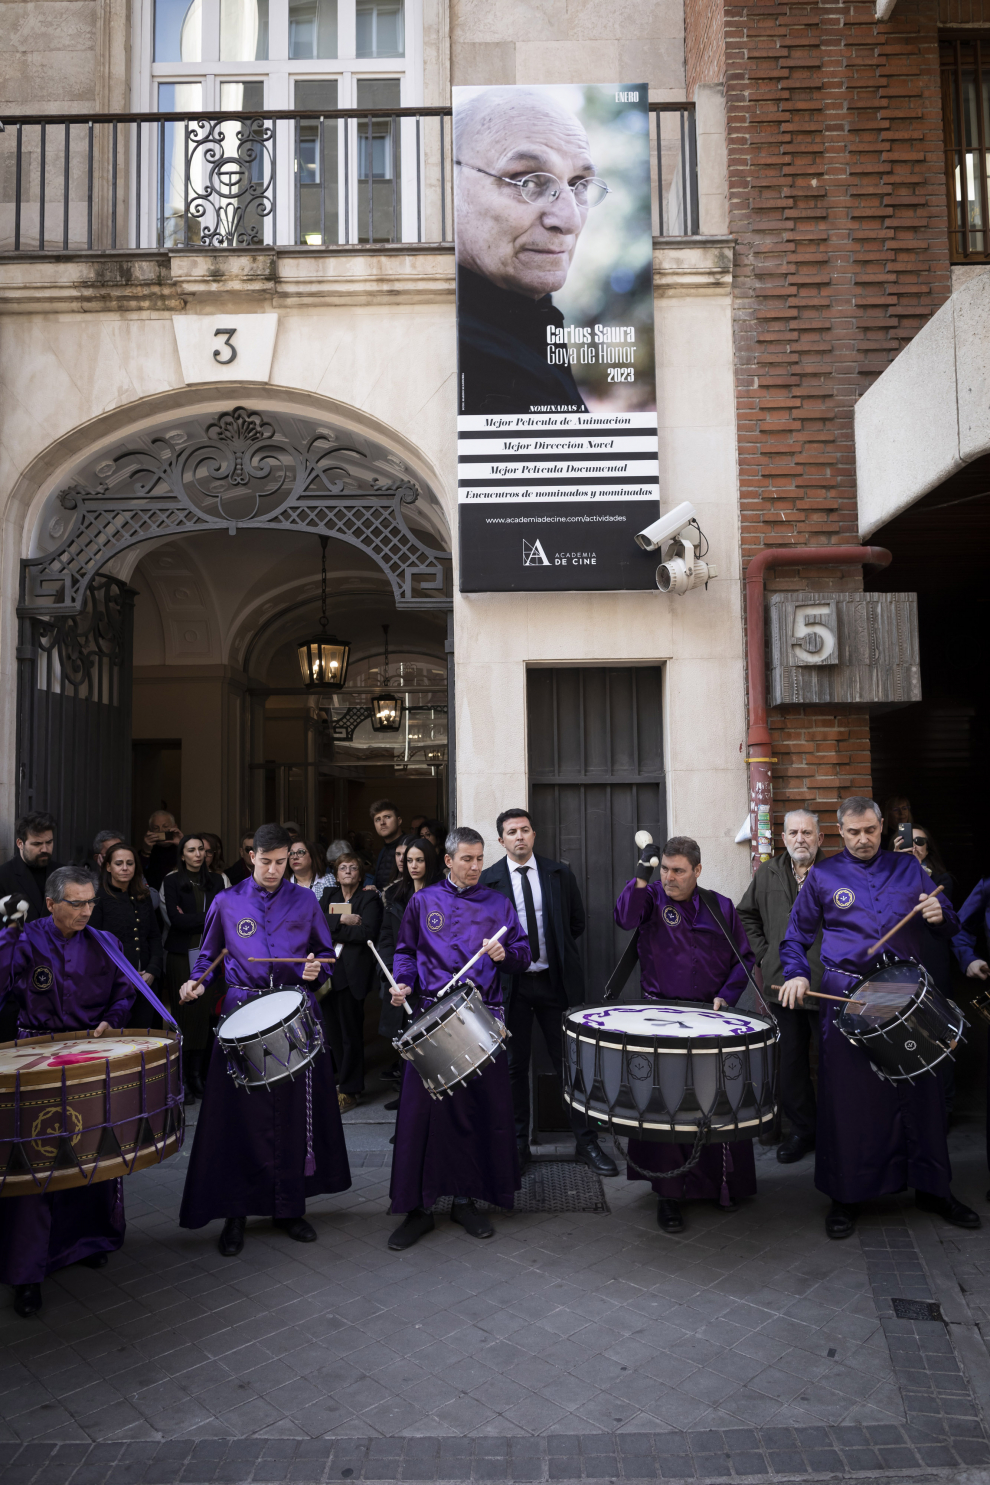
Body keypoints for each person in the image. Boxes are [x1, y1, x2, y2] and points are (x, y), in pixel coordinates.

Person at [780, 797, 979, 1240]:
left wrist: (939, 914)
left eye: (870, 830)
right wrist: (794, 975)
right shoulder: (824, 876)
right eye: (853, 832)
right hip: (845, 996)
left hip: (903, 992)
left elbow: (949, 925)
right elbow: (794, 939)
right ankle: (846, 1195)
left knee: (922, 1095)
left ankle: (933, 1189)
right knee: (849, 1100)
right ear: (839, 831)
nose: (863, 839)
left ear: (881, 827)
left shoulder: (909, 869)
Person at [177, 823, 351, 1256]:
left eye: (282, 862)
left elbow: (325, 954)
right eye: (266, 861)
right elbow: (209, 955)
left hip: (293, 1010)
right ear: (251, 856)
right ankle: (234, 1213)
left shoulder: (305, 899)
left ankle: (289, 1208)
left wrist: (318, 970)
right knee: (237, 1118)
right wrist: (195, 982)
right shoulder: (227, 900)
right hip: (241, 1012)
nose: (274, 870)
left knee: (291, 1114)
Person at [0, 866, 147, 1317]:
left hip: (89, 1058)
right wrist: (5, 938)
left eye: (90, 903)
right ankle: (27, 1271)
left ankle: (89, 1241)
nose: (86, 911)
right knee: (36, 1159)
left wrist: (114, 1020)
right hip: (36, 1057)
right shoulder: (25, 939)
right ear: (50, 904)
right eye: (76, 903)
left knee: (90, 1151)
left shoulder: (105, 941)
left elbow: (126, 991)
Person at [386, 826, 531, 1249]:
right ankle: (418, 1209)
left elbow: (522, 953)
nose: (475, 866)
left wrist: (506, 954)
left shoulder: (498, 903)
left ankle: (465, 1201)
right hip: (430, 1016)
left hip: (480, 1018)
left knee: (474, 1112)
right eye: (466, 859)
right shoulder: (422, 900)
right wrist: (403, 983)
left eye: (479, 859)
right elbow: (405, 952)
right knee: (420, 1117)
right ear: (447, 860)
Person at [614, 835, 759, 1235]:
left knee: (716, 1103)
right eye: (665, 869)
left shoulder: (720, 906)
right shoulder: (651, 899)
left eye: (678, 871)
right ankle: (669, 1195)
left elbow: (742, 957)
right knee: (668, 1107)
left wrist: (727, 996)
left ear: (697, 870)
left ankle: (722, 1185)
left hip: (711, 1019)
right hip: (662, 1018)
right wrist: (642, 876)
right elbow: (624, 916)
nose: (670, 877)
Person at [480, 807, 617, 1178]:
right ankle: (517, 1146)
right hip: (512, 988)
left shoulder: (558, 874)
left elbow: (576, 922)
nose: (520, 837)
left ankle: (586, 1143)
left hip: (555, 984)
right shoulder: (489, 881)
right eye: (512, 832)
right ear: (501, 840)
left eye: (525, 830)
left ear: (534, 834)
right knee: (513, 1068)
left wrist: (550, 952)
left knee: (570, 1065)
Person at [454, 88, 608, 416]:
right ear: (444, 183)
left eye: (580, 184)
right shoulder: (455, 351)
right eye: (528, 182)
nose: (568, 221)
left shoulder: (531, 325)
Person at [736, 809, 824, 1165]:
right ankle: (803, 1130)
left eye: (807, 832)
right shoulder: (768, 872)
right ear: (783, 837)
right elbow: (746, 914)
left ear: (820, 838)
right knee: (790, 1065)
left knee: (834, 1063)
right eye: (793, 832)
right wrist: (764, 953)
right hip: (781, 984)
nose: (800, 838)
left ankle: (836, 1130)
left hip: (825, 986)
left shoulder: (833, 874)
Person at [162, 835, 225, 1103]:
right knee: (186, 1012)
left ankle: (198, 1076)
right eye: (191, 850)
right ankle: (183, 1078)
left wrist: (197, 919)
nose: (198, 854)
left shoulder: (218, 880)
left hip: (210, 955)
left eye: (201, 849)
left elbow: (222, 916)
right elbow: (177, 921)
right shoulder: (172, 880)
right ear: (182, 854)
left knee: (205, 1012)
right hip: (180, 953)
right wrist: (206, 917)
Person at [319, 851, 383, 1112]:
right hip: (328, 972)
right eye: (342, 867)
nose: (347, 871)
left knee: (351, 1035)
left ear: (360, 874)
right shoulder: (329, 896)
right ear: (336, 874)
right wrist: (342, 920)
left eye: (353, 868)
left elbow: (367, 932)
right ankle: (341, 1082)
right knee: (332, 1034)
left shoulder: (369, 898)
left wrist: (332, 927)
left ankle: (350, 1090)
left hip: (352, 973)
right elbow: (315, 924)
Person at [377, 837, 441, 1050]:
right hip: (401, 978)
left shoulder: (442, 896)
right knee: (404, 1042)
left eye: (420, 860)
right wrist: (390, 972)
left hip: (431, 980)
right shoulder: (395, 895)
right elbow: (386, 936)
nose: (413, 866)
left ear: (430, 862)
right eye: (409, 860)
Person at [90, 843, 164, 1027]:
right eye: (119, 863)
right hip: (113, 985)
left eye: (130, 863)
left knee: (146, 1037)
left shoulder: (143, 896)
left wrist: (152, 971)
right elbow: (93, 945)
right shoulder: (98, 898)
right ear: (108, 866)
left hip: (146, 983)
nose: (125, 868)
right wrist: (124, 977)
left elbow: (154, 936)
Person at [892, 824, 955, 995]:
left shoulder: (943, 879)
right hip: (899, 960)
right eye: (907, 842)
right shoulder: (886, 878)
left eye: (919, 841)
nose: (913, 846)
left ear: (927, 850)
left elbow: (943, 918)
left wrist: (915, 869)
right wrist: (895, 865)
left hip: (932, 955)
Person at [0, 813, 60, 922]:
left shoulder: (62, 872)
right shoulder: (3, 876)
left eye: (49, 842)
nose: (45, 849)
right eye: (37, 844)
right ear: (20, 843)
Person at [140, 811, 182, 890]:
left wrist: (183, 845)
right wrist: (146, 851)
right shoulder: (146, 850)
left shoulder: (183, 849)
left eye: (165, 826)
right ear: (150, 830)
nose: (161, 830)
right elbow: (138, 875)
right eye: (156, 828)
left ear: (175, 826)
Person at [370, 801, 404, 890]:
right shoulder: (383, 851)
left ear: (399, 821)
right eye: (377, 819)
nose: (382, 822)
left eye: (387, 817)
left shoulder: (411, 846)